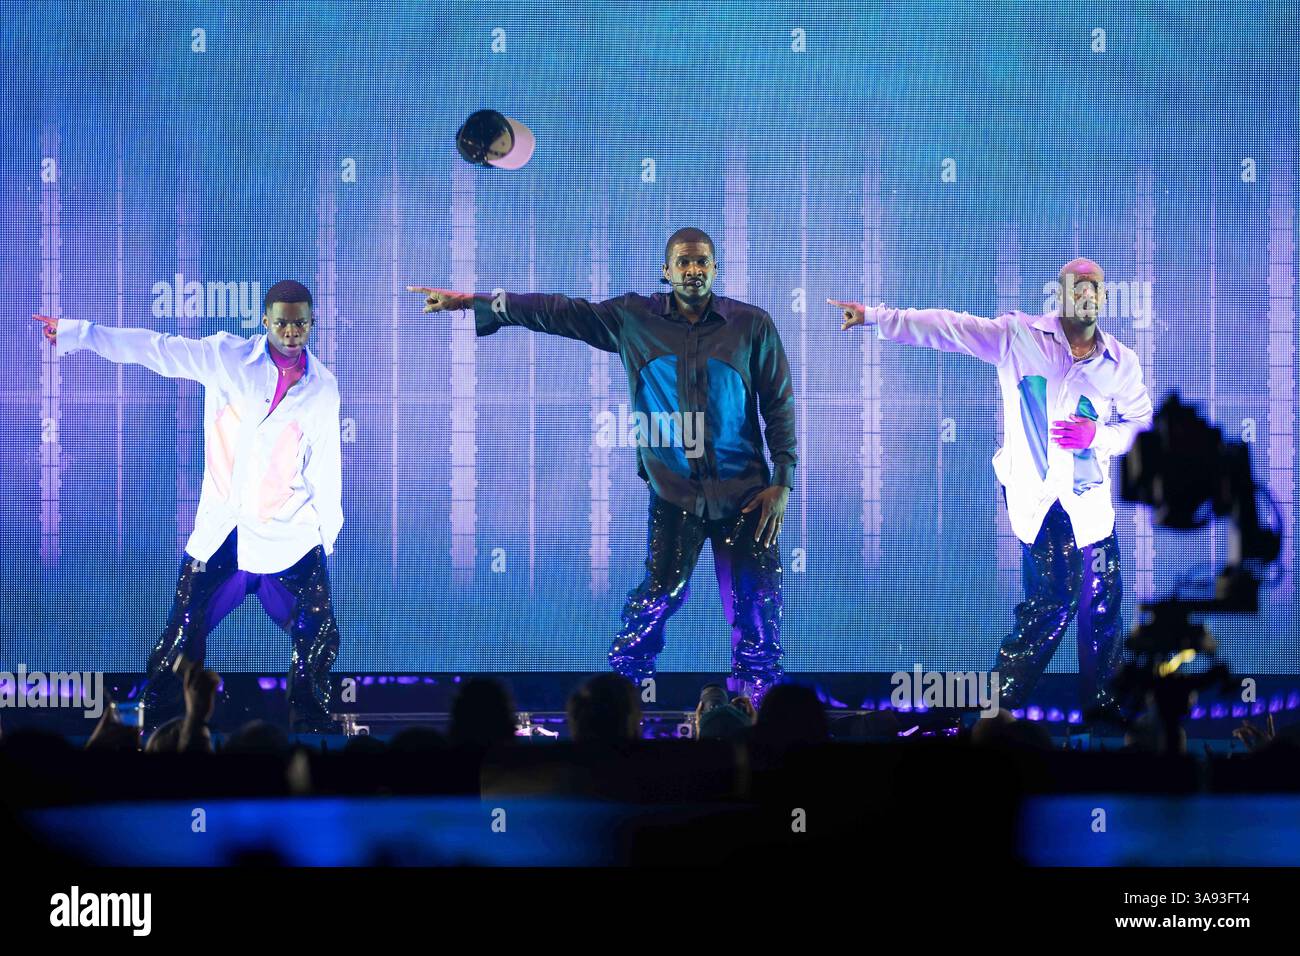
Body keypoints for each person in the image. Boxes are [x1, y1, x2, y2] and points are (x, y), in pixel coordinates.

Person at [410, 227, 797, 706]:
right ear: (666, 269)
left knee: (757, 607)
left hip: (748, 494)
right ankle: (619, 705)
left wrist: (781, 483)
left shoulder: (751, 325)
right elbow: (562, 312)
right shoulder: (634, 318)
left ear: (716, 269)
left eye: (702, 262)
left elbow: (778, 404)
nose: (693, 271)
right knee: (661, 595)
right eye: (683, 262)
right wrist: (478, 302)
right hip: (676, 491)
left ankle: (758, 714)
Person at [831, 258, 1153, 722]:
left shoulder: (1120, 361)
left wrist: (1098, 437)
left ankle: (1105, 706)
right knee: (1054, 600)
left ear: (1104, 296)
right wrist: (878, 316)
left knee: (1102, 600)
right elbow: (949, 327)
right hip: (1041, 499)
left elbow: (1140, 423)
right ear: (1059, 295)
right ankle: (999, 703)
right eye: (1076, 287)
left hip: (1090, 502)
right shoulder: (1020, 336)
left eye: (1095, 287)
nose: (1087, 294)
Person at [34, 279, 344, 733]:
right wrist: (81, 333)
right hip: (221, 528)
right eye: (282, 322)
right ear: (265, 322)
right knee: (182, 629)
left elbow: (324, 464)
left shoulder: (323, 388)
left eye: (299, 323)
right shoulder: (227, 358)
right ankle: (160, 723)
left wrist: (325, 536)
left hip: (288, 533)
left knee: (318, 629)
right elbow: (156, 348)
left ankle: (312, 726)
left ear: (311, 324)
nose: (291, 332)